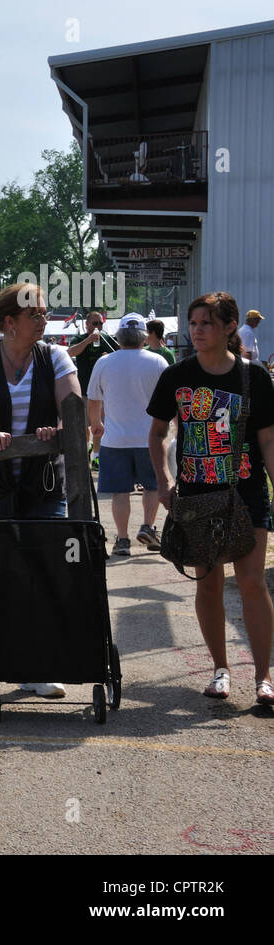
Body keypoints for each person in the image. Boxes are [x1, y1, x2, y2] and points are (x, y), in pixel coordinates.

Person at [0, 282, 80, 699]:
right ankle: (6, 654)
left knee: (47, 566)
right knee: (2, 570)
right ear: (10, 322)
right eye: (35, 315)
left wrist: (56, 429)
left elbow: (72, 414)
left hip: (43, 484)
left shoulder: (55, 357)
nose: (44, 320)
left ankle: (37, 662)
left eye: (45, 313)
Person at [148, 292, 274, 706]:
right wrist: (164, 481)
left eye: (206, 323)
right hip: (197, 495)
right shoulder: (176, 375)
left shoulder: (254, 378)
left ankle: (263, 677)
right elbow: (156, 433)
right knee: (209, 583)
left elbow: (268, 441)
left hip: (246, 493)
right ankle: (220, 669)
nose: (197, 331)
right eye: (193, 323)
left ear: (229, 327)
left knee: (253, 582)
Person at [86, 313, 168, 556]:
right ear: (144, 336)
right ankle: (148, 527)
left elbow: (93, 399)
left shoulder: (104, 362)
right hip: (149, 438)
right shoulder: (157, 362)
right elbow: (168, 401)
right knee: (152, 486)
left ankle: (122, 540)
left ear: (119, 336)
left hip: (115, 439)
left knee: (120, 491)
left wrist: (95, 423)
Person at [68, 310, 119, 471]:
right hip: (83, 390)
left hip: (103, 392)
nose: (98, 327)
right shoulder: (80, 339)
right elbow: (70, 353)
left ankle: (96, 457)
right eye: (95, 323)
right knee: (83, 427)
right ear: (87, 325)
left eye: (100, 323)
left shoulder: (106, 339)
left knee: (99, 425)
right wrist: (88, 341)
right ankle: (87, 449)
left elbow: (120, 355)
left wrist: (109, 358)